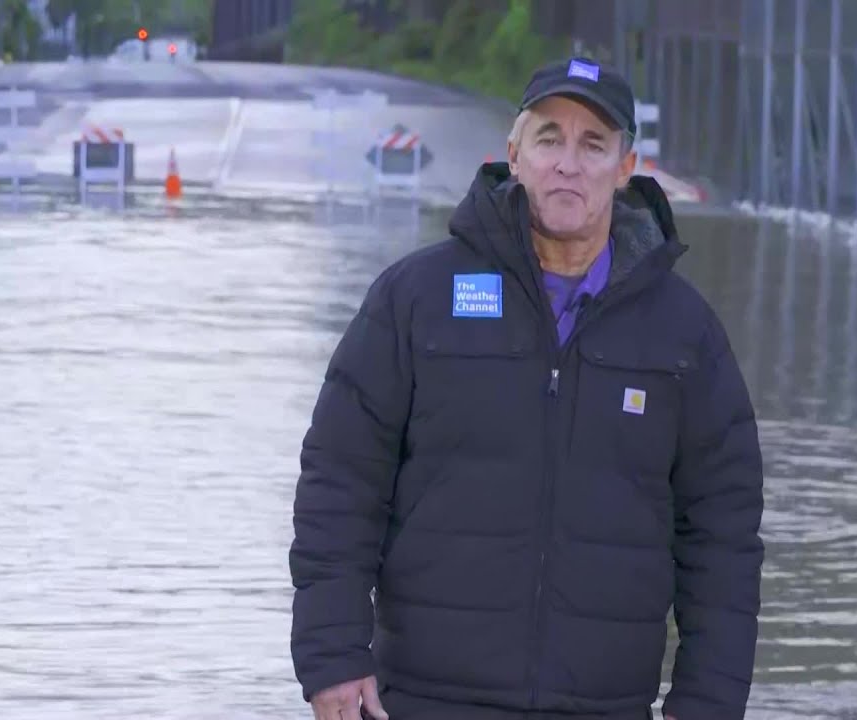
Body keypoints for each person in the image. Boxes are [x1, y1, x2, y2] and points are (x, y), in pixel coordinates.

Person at [290, 56, 765, 720]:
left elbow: (723, 534)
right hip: (425, 701)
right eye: (548, 138)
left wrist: (708, 700)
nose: (567, 162)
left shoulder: (684, 335)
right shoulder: (417, 300)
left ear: (626, 168)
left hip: (605, 706)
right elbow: (340, 482)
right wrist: (334, 655)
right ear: (514, 154)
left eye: (592, 144)